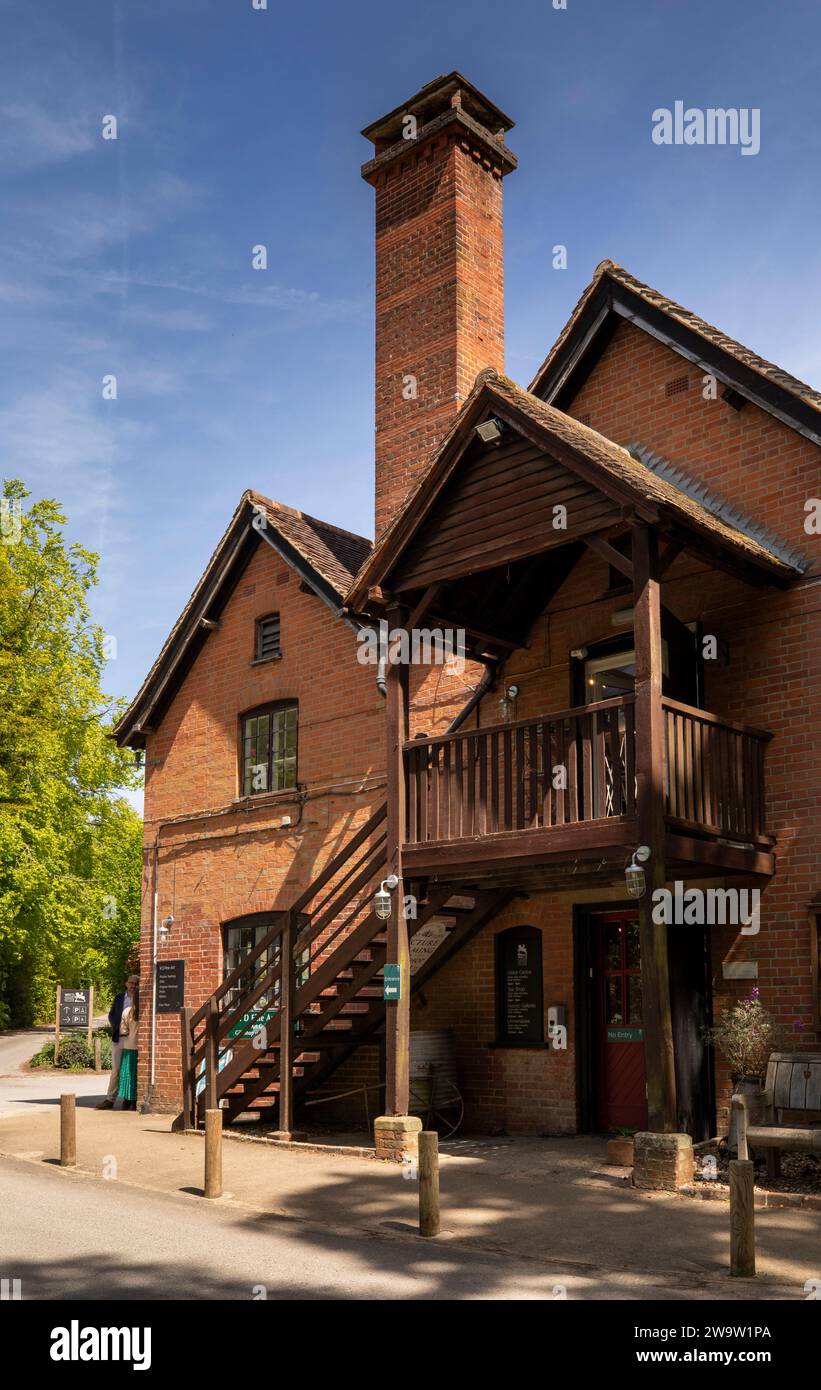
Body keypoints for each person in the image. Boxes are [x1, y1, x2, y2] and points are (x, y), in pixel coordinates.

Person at [96, 972, 138, 1110]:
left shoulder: (141, 998)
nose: (133, 986)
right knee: (116, 1069)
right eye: (131, 983)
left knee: (131, 1069)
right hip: (119, 1038)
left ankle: (130, 1098)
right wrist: (116, 1026)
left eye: (136, 983)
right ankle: (110, 1099)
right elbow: (112, 1014)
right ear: (126, 983)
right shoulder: (119, 997)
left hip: (134, 1040)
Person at [117, 984, 140, 1112]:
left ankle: (126, 1101)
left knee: (127, 1075)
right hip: (139, 1048)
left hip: (128, 1046)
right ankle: (135, 1101)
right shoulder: (145, 1014)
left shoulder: (126, 1012)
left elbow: (123, 1031)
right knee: (137, 1075)